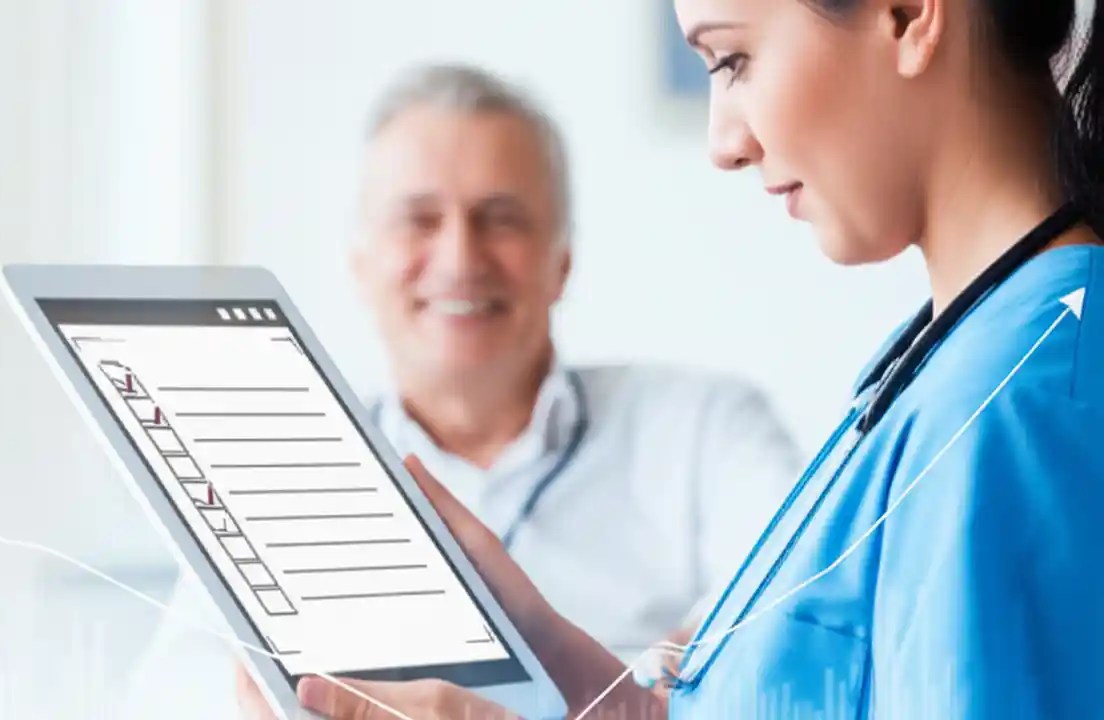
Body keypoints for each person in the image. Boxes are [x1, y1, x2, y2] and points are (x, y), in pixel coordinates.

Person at [243, 0, 1104, 711]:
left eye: (733, 62)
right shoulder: (951, 363)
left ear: (910, 15)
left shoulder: (1024, 400)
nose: (722, 142)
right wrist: (570, 668)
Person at [350, 64, 800, 654]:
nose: (460, 259)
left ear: (561, 262)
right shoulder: (282, 474)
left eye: (500, 219)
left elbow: (790, 622)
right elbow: (195, 675)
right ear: (361, 265)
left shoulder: (706, 432)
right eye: (419, 220)